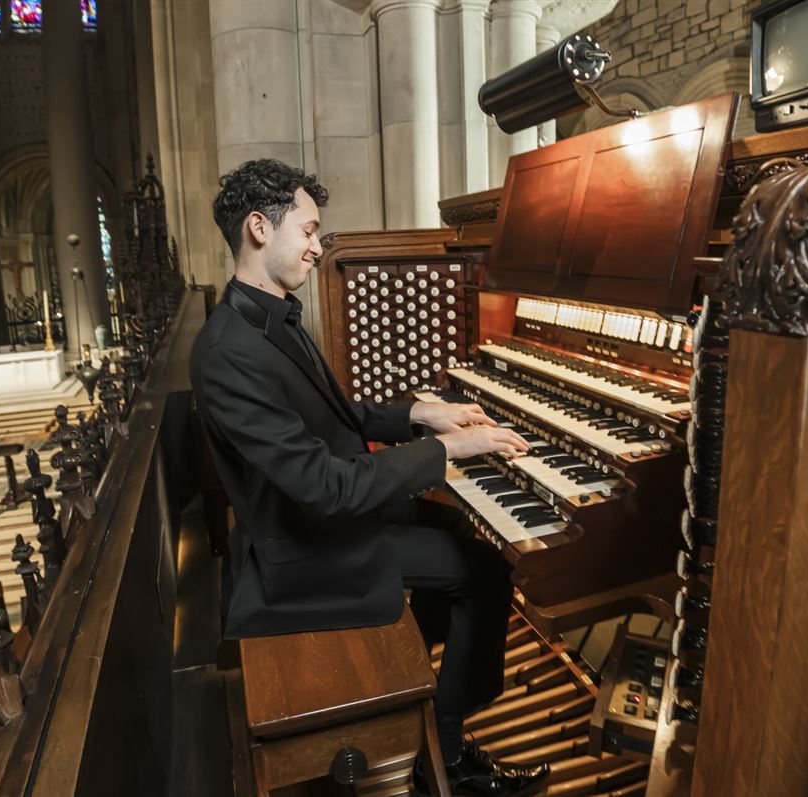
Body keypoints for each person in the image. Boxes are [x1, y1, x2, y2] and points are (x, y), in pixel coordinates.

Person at [190, 159, 550, 796]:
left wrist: (416, 413)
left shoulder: (267, 312)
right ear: (257, 228)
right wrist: (450, 450)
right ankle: (446, 752)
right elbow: (326, 484)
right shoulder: (227, 353)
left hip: (323, 517)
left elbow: (333, 418)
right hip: (303, 550)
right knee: (484, 571)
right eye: (307, 230)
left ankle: (429, 671)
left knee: (455, 525)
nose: (315, 246)